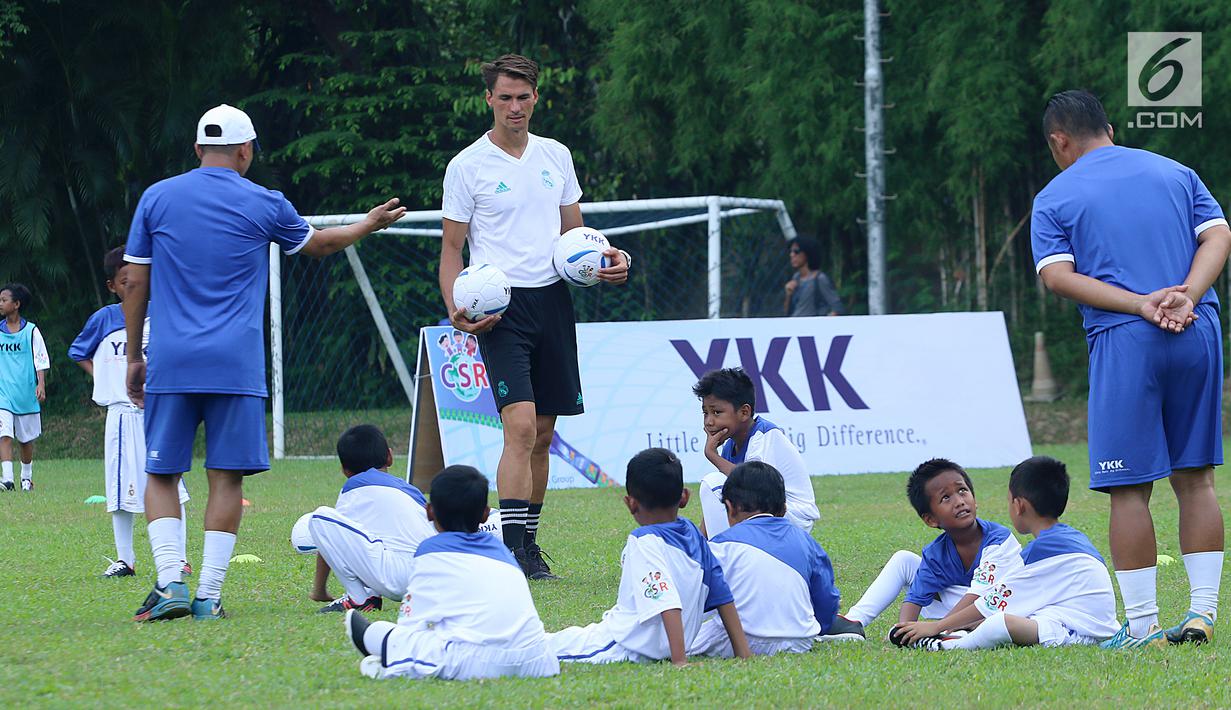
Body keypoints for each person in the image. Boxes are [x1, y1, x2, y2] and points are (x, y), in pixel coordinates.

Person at [124, 103, 406, 622]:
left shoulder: (157, 198)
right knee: (226, 479)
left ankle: (170, 585)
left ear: (196, 149)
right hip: (235, 364)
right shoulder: (263, 201)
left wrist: (135, 355)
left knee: (162, 473)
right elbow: (318, 245)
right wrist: (366, 224)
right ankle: (208, 594)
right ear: (246, 150)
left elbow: (135, 280)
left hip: (173, 359)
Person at [1032, 90, 1228, 647]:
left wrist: (1141, 303)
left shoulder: (1054, 195)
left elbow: (1057, 276)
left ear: (1059, 141)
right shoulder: (1176, 171)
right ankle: (1201, 614)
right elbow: (1219, 234)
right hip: (1197, 327)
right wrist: (1188, 295)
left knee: (1129, 489)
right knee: (1196, 478)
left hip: (1125, 337)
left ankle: (1141, 626)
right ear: (1110, 128)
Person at [438, 53, 630, 580]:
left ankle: (526, 545)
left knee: (543, 433)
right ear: (489, 99)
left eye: (524, 97)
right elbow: (452, 250)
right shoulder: (467, 165)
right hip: (500, 307)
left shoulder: (556, 156)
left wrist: (611, 261)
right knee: (519, 428)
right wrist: (455, 308)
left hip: (552, 302)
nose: (515, 107)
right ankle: (510, 548)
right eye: (505, 97)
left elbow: (579, 241)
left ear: (536, 98)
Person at [342, 464, 559, 681]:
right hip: (538, 660)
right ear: (485, 514)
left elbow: (412, 625)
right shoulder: (504, 553)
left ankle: (384, 654)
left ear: (429, 511)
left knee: (390, 636)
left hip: (479, 663)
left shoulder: (430, 552)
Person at [545, 448, 751, 666]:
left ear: (630, 503)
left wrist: (680, 660)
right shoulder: (694, 534)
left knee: (539, 650)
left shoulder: (643, 541)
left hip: (624, 644)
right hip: (646, 644)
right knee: (553, 640)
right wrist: (744, 653)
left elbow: (666, 601)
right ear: (684, 497)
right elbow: (722, 595)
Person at [893, 456, 1118, 650]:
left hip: (1080, 631)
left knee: (998, 623)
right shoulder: (1071, 538)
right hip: (1071, 620)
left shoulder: (1041, 552)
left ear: (1019, 506)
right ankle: (956, 633)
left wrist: (938, 626)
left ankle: (946, 644)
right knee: (995, 619)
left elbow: (991, 602)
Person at [69, 246, 191, 578]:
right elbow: (78, 352)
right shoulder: (104, 319)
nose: (133, 286)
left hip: (160, 413)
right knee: (119, 489)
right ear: (112, 285)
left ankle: (179, 557)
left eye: (139, 279)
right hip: (121, 415)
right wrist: (106, 379)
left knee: (171, 482)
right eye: (125, 281)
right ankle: (126, 559)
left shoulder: (163, 315)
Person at [690, 461, 862, 658]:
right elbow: (827, 600)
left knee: (678, 642)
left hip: (738, 640)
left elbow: (698, 598)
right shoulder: (807, 542)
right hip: (800, 641)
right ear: (784, 508)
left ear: (729, 507)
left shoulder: (721, 544)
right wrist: (817, 627)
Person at [840, 458, 1022, 638]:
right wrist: (905, 632)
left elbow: (978, 596)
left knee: (989, 605)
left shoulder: (999, 540)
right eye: (946, 498)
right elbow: (914, 599)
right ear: (931, 520)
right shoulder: (936, 552)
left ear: (975, 500)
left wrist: (937, 628)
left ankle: (954, 631)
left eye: (962, 491)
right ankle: (854, 621)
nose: (959, 501)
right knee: (904, 559)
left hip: (1003, 605)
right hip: (956, 609)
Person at [306, 424, 435, 613]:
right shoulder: (410, 490)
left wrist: (319, 590)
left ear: (345, 471)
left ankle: (360, 598)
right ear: (389, 457)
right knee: (379, 538)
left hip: (398, 576)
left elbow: (334, 537)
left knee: (319, 517)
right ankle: (370, 593)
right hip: (432, 577)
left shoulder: (353, 487)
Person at [694, 367, 819, 538]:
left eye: (717, 412)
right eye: (705, 413)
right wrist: (698, 546)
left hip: (793, 519)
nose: (709, 421)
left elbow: (754, 489)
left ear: (744, 412)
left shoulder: (763, 436)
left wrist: (712, 455)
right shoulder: (730, 445)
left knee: (712, 482)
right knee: (719, 488)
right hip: (770, 516)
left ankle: (721, 556)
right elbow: (717, 504)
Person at [0, 283, 48, 492]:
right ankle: (8, 479)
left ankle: (26, 479)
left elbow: (40, 359)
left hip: (26, 393)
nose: (0, 304)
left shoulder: (31, 331)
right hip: (3, 393)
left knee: (25, 440)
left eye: (4, 300)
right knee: (4, 434)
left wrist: (41, 384)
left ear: (17, 304)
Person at [784, 236, 843, 317]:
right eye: (791, 251)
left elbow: (837, 308)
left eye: (796, 251)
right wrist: (788, 295)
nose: (792, 255)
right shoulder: (796, 278)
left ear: (808, 253)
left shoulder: (819, 279)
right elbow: (788, 312)